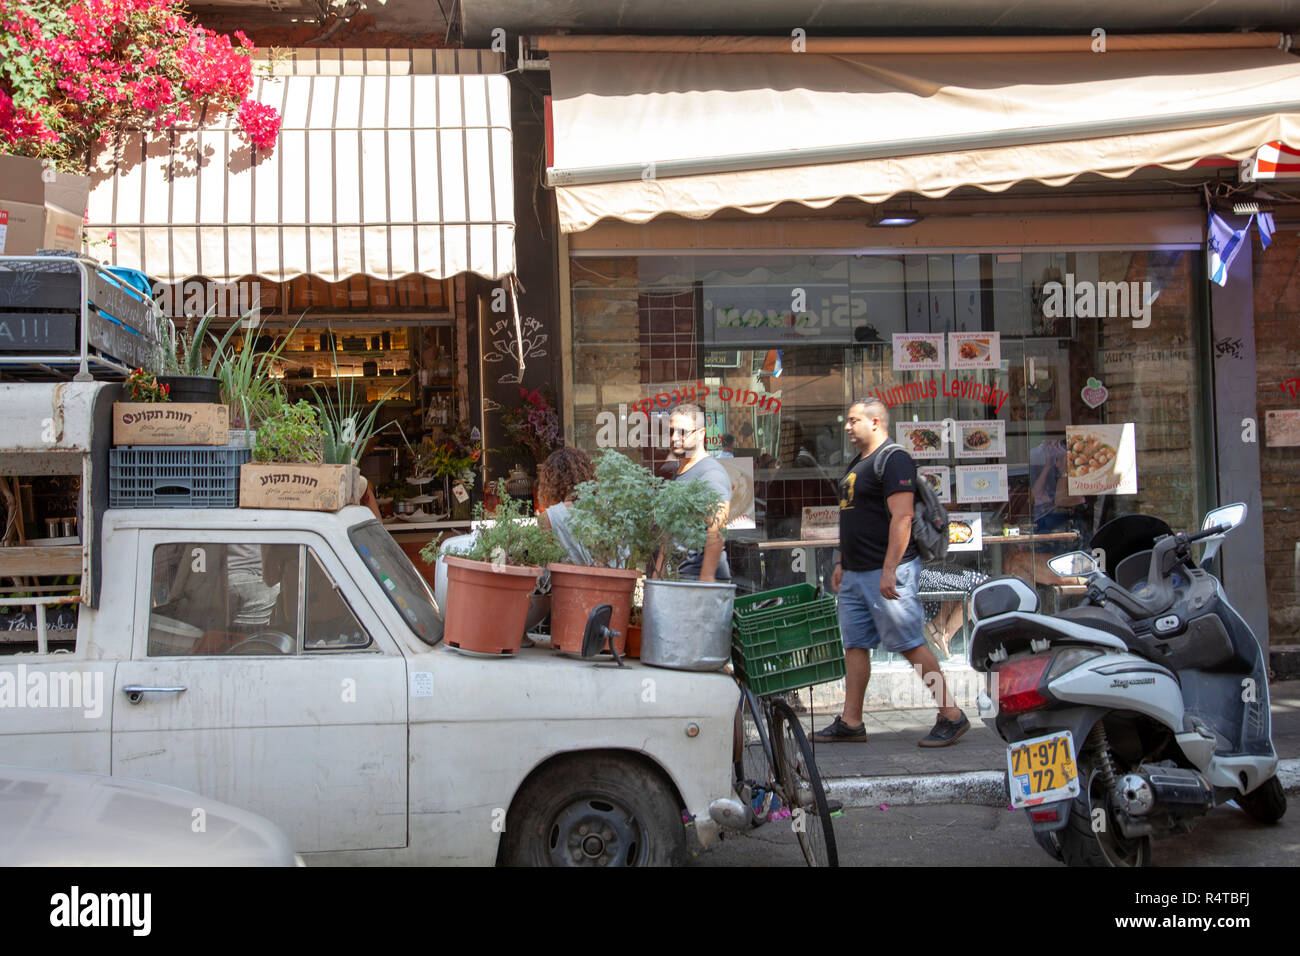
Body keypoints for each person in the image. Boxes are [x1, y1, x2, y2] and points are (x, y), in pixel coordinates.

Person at [814, 398, 970, 747]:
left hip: (887, 571)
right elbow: (854, 517)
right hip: (856, 573)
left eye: (854, 420)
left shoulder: (893, 459)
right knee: (855, 645)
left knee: (909, 642)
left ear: (875, 422)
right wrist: (842, 561)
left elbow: (902, 518)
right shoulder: (858, 463)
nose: (847, 426)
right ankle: (851, 722)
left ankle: (952, 714)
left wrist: (890, 569)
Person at [661, 404, 731, 583]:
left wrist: (706, 579)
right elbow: (669, 530)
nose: (674, 438)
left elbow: (715, 530)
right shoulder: (683, 470)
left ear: (701, 434)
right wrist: (658, 571)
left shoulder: (710, 474)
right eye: (671, 431)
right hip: (682, 578)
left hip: (698, 580)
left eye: (682, 432)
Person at [535, 446, 597, 566]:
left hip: (569, 583)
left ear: (550, 481)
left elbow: (546, 566)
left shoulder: (549, 517)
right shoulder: (606, 511)